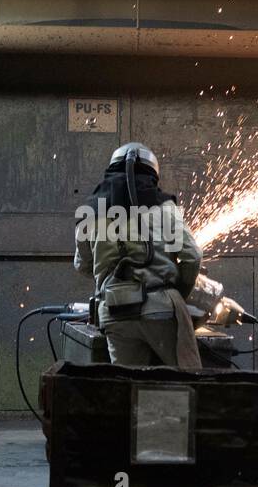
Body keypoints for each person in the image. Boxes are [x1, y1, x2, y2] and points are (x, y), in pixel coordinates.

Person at [74, 142, 203, 367]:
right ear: (152, 173)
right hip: (161, 309)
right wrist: (179, 292)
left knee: (127, 386)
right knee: (185, 384)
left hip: (115, 312)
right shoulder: (164, 206)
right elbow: (192, 256)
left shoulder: (89, 212)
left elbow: (82, 265)